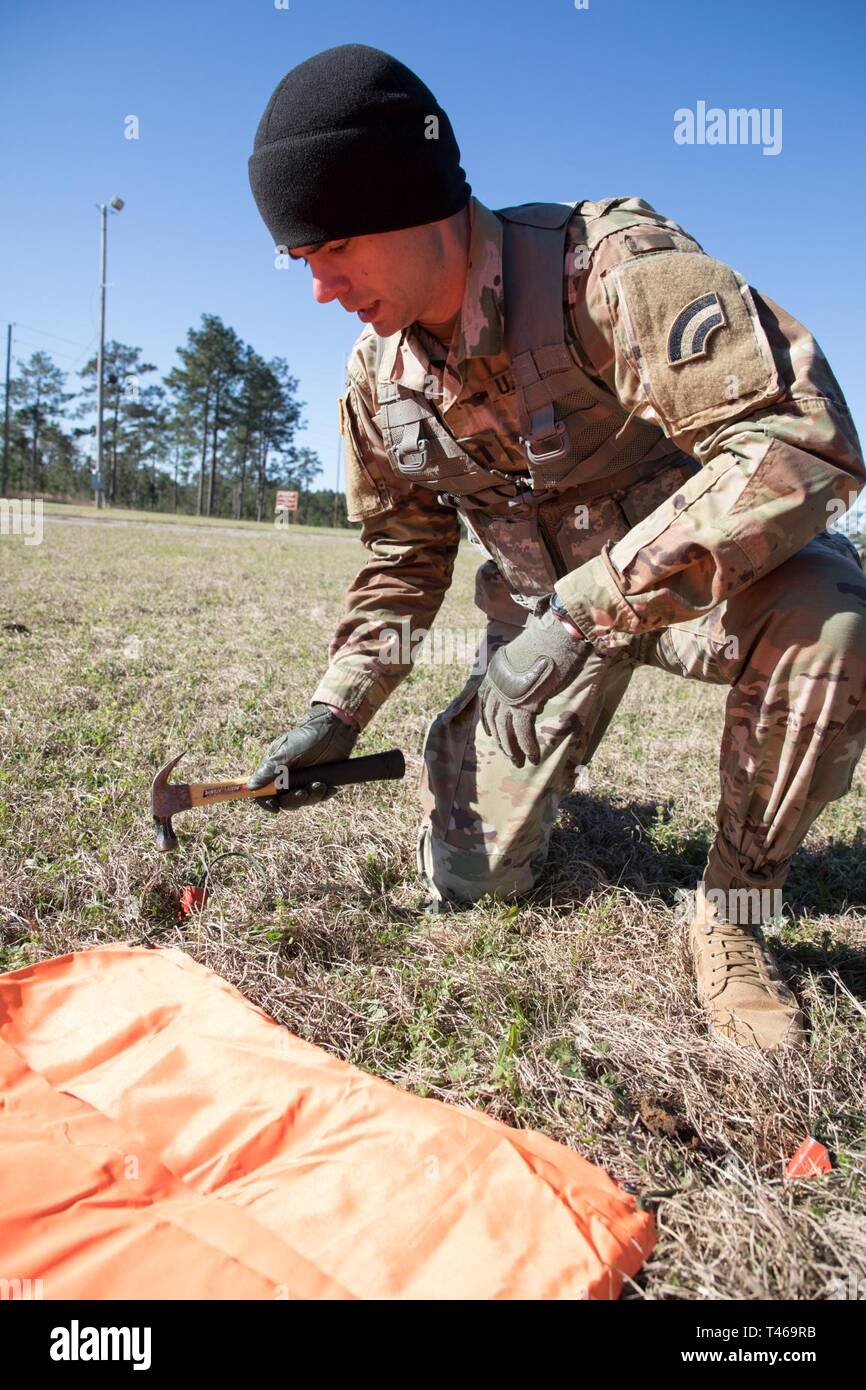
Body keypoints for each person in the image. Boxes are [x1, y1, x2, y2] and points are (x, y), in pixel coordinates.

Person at [246, 44, 866, 1055]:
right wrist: (334, 709)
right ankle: (508, 787)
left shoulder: (606, 271)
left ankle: (733, 911)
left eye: (335, 245)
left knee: (833, 625)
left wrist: (591, 611)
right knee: (475, 884)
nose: (320, 288)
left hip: (688, 594)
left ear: (414, 201)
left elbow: (796, 444)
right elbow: (403, 551)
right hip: (537, 633)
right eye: (299, 259)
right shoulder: (378, 382)